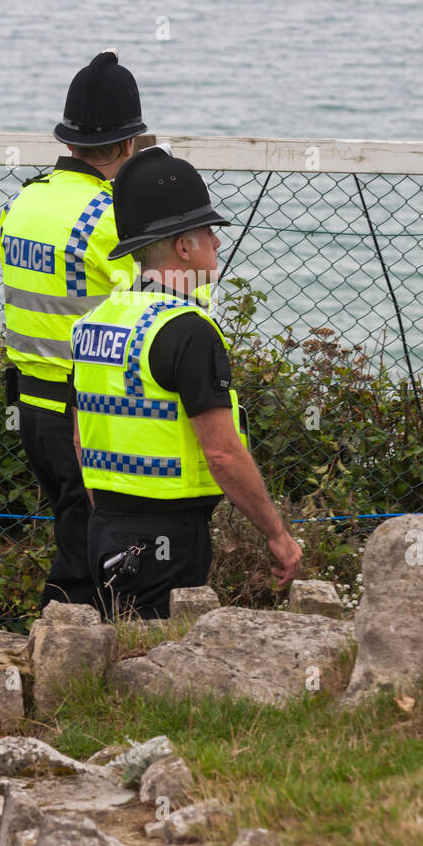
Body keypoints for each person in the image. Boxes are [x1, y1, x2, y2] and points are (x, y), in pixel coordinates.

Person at [69, 148, 303, 619]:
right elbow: (221, 451)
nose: (216, 243)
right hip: (167, 536)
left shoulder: (95, 321)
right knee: (156, 666)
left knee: (121, 650)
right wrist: (276, 533)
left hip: (105, 527)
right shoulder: (188, 331)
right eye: (208, 232)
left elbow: (79, 437)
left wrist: (110, 518)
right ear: (182, 247)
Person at [0, 50, 147, 607]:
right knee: (97, 550)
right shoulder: (108, 216)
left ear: (69, 141)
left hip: (32, 406)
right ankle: (67, 658)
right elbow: (155, 309)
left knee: (74, 529)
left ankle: (64, 652)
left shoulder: (25, 201)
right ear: (130, 143)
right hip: (85, 410)